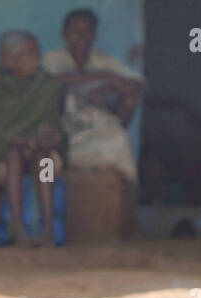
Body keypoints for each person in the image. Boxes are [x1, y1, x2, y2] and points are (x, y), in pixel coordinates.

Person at [0, 31, 65, 246]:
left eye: (36, 52)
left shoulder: (48, 85)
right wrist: (25, 141)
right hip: (4, 155)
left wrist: (49, 137)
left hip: (43, 150)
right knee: (12, 153)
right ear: (9, 59)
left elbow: (55, 124)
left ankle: (49, 231)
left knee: (43, 158)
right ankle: (19, 230)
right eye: (27, 53)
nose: (35, 58)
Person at [43, 7, 144, 184]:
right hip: (62, 130)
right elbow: (53, 81)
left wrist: (111, 88)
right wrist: (107, 78)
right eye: (76, 31)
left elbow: (139, 84)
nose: (82, 36)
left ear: (94, 35)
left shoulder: (102, 60)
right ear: (64, 35)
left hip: (95, 128)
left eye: (88, 31)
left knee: (127, 106)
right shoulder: (53, 58)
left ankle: (123, 193)